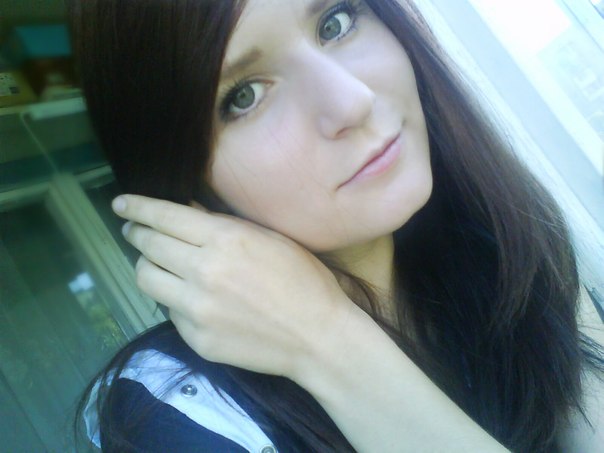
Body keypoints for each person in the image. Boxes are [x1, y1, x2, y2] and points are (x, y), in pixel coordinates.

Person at [67, 0, 604, 451]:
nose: (353, 100)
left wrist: (327, 336)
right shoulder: (178, 414)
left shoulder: (510, 247)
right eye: (244, 96)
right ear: (179, 182)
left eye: (336, 22)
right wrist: (324, 342)